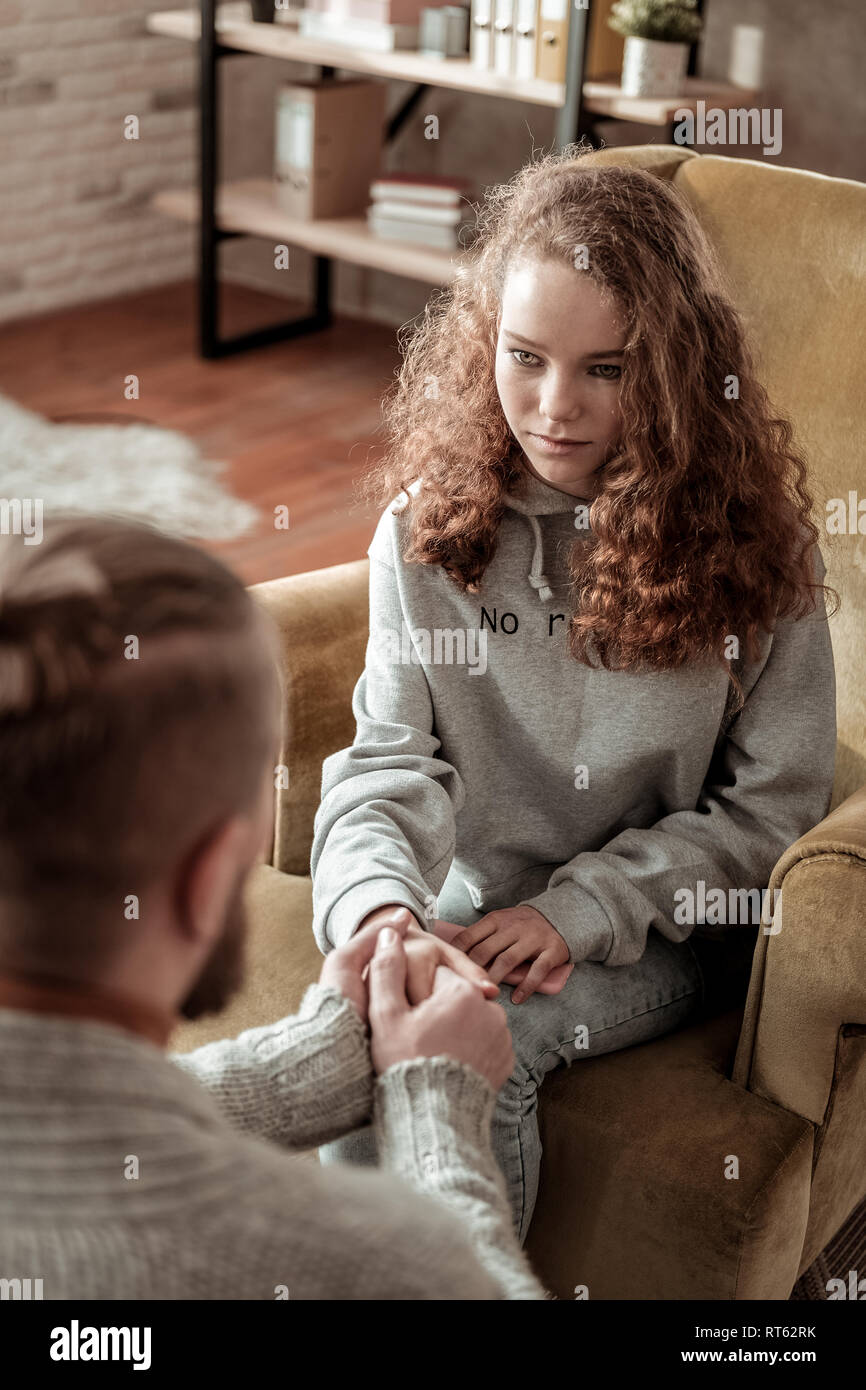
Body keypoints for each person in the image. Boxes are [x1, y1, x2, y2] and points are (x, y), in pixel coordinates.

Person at [311, 148, 839, 1242]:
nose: (554, 409)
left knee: (479, 1050)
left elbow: (773, 810)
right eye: (524, 357)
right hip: (467, 905)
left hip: (660, 934)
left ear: (677, 364)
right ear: (483, 345)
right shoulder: (421, 532)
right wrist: (376, 910)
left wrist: (578, 909)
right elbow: (386, 763)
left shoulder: (755, 549)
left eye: (606, 368)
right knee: (355, 1029)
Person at [0, 517, 547, 1300]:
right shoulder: (339, 1258)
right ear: (214, 873)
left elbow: (64, 1134)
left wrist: (312, 1065)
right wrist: (436, 1112)